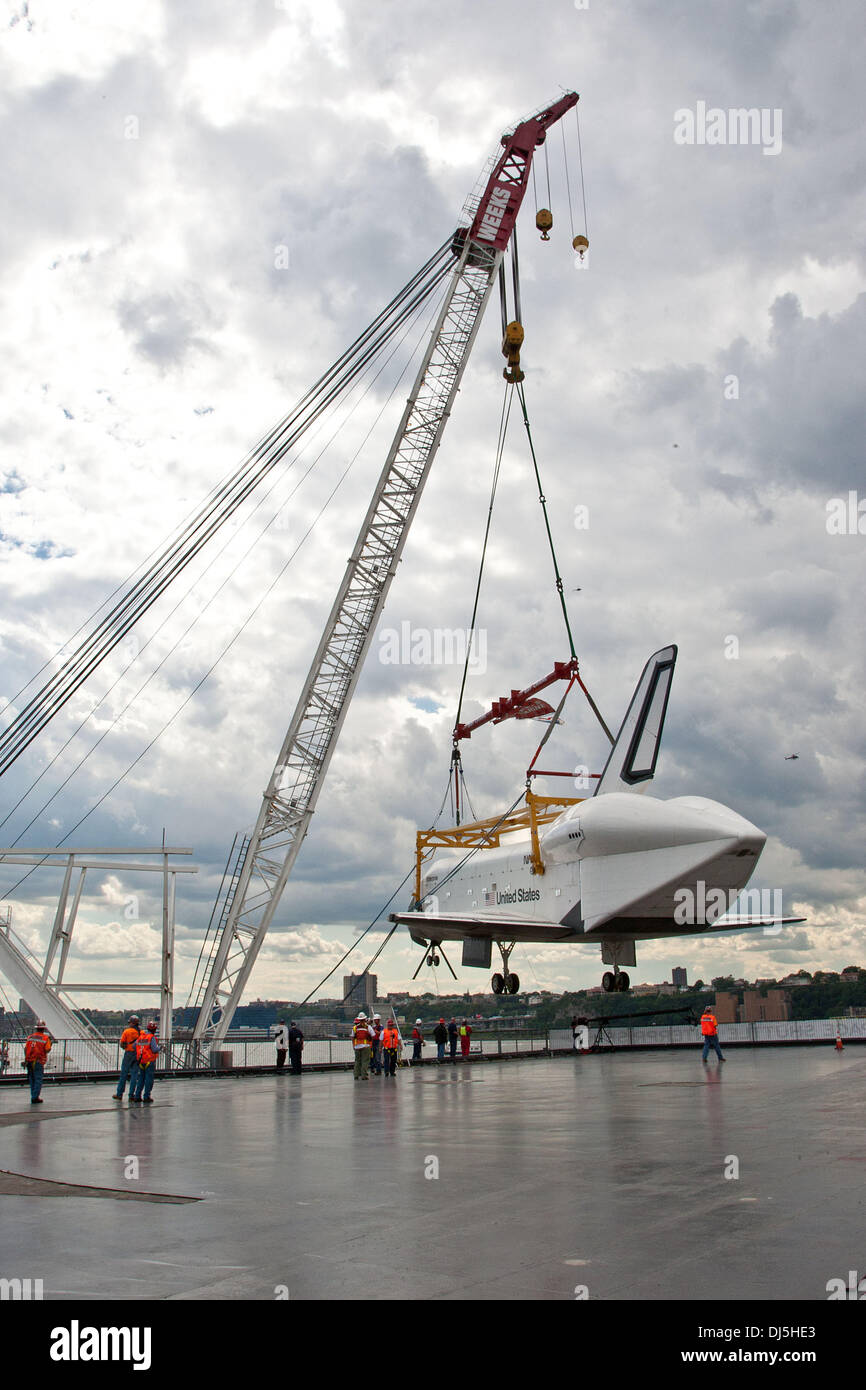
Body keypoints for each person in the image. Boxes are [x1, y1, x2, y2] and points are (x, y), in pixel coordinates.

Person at [130, 1022, 160, 1102]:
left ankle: (137, 1096)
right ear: (154, 1030)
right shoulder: (151, 1037)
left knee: (141, 1079)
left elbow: (133, 1046)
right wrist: (160, 1047)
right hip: (149, 1061)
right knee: (149, 1080)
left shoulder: (141, 1037)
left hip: (141, 1061)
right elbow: (154, 1049)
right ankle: (146, 1096)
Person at [113, 1014, 141, 1099]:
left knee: (124, 1074)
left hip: (128, 1053)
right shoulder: (141, 1032)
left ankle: (119, 1094)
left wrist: (126, 1046)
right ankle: (131, 1095)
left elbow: (122, 1044)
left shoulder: (127, 1031)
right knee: (134, 1075)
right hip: (137, 1054)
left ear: (132, 1023)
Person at [24, 1021, 52, 1104]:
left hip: (29, 1060)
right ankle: (35, 1097)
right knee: (38, 1079)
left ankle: (33, 1095)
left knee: (32, 1079)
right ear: (43, 1029)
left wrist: (26, 1058)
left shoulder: (30, 1037)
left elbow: (26, 1049)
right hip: (38, 1061)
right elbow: (47, 1049)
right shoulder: (45, 1038)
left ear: (36, 1028)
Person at [352, 1013, 372, 1080]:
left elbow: (352, 1037)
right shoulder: (368, 1027)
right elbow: (373, 1035)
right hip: (366, 1046)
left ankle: (356, 1075)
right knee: (365, 1061)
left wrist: (354, 1045)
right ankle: (364, 1075)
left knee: (357, 1061)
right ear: (365, 1019)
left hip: (357, 1047)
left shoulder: (355, 1028)